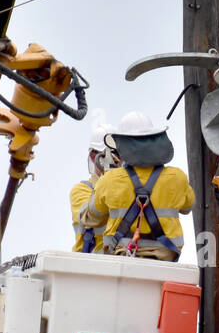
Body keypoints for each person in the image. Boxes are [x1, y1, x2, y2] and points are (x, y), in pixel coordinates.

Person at [81, 111, 195, 261]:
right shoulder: (177, 177)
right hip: (166, 261)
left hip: (122, 260)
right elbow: (187, 207)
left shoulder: (109, 180)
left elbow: (90, 218)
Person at [70, 124, 119, 253]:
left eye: (119, 154)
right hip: (91, 265)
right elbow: (89, 218)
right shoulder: (81, 190)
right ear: (93, 156)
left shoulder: (127, 184)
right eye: (111, 154)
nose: (116, 160)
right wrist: (109, 178)